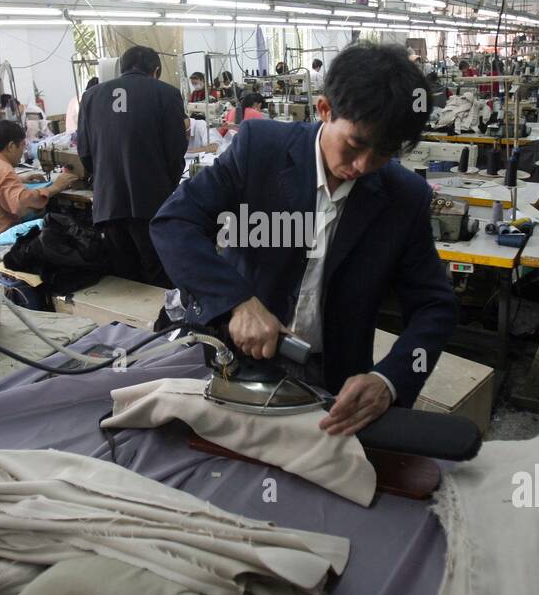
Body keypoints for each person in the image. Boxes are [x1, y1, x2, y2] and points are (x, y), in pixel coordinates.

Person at [151, 41, 458, 436]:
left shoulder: (404, 198)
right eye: (355, 145)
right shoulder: (259, 149)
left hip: (336, 382)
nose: (363, 166)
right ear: (325, 109)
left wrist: (390, 380)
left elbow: (435, 305)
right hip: (238, 360)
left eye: (383, 154)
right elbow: (174, 222)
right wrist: (237, 303)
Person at [77, 44, 187, 287]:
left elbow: (84, 153)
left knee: (124, 277)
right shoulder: (167, 94)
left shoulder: (90, 97)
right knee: (158, 275)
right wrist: (166, 188)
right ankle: (159, 324)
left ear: (122, 68)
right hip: (151, 200)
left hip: (108, 202)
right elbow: (176, 151)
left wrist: (103, 179)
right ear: (156, 70)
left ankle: (126, 324)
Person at [0, 120, 77, 250]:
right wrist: (55, 187)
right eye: (22, 146)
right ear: (11, 146)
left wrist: (19, 179)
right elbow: (21, 204)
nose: (23, 151)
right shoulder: (1, 167)